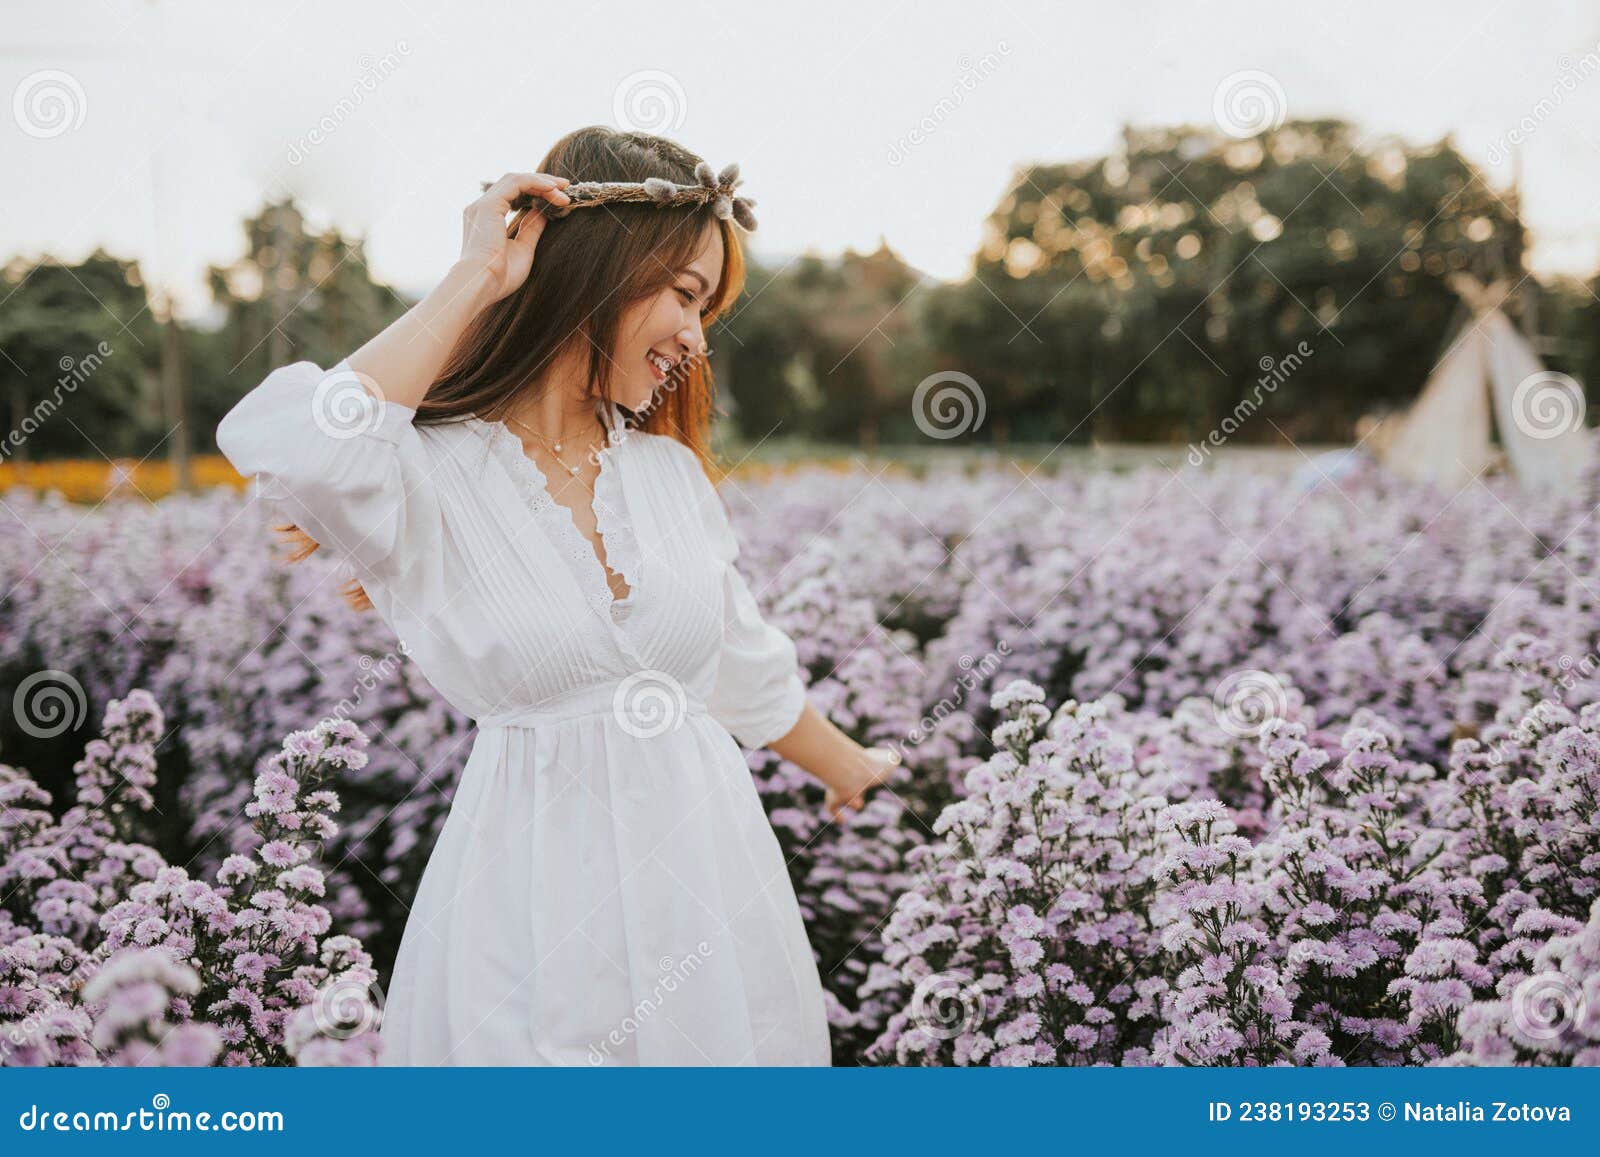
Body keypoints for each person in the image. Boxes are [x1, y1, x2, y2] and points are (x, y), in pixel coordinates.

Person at [215, 126, 898, 1066]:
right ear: (600, 274)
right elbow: (301, 448)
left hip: (710, 896)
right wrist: (477, 277)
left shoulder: (667, 476)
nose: (698, 338)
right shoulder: (423, 475)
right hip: (528, 907)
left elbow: (739, 663)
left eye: (710, 311)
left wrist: (854, 766)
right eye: (686, 296)